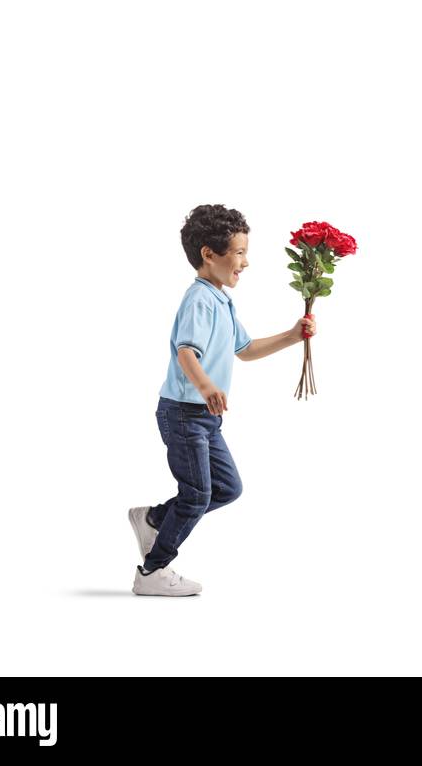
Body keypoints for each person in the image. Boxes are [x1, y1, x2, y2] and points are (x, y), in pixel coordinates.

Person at [129, 204, 317, 597]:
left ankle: (155, 519)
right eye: (239, 252)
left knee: (226, 488)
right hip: (184, 412)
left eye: (246, 252)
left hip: (203, 417)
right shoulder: (199, 300)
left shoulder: (221, 300)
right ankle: (152, 570)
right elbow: (186, 352)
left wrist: (292, 335)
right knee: (197, 494)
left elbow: (245, 349)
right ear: (208, 254)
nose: (245, 262)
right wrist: (207, 388)